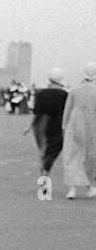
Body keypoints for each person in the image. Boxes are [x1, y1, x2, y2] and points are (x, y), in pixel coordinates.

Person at [61, 62, 96, 199]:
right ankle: (90, 187)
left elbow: (67, 110)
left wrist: (64, 126)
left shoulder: (75, 90)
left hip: (75, 123)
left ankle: (72, 189)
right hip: (92, 124)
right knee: (90, 156)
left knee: (72, 155)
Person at [31, 69, 68, 188]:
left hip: (42, 125)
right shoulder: (64, 95)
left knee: (44, 151)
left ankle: (44, 181)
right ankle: (45, 174)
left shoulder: (41, 93)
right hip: (58, 124)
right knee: (53, 152)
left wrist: (30, 126)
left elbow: (36, 112)